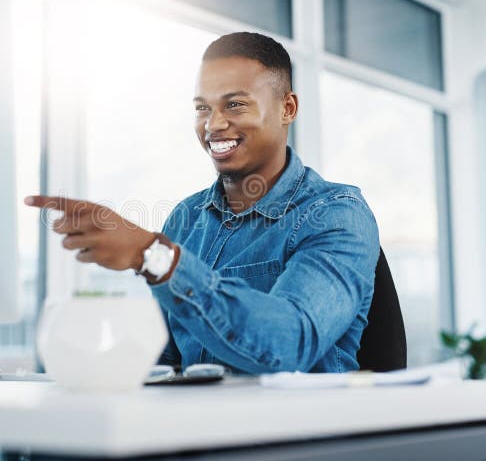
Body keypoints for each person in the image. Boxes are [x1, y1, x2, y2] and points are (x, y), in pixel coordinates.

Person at [25, 32, 379, 374]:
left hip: (297, 431)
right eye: (202, 108)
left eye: (235, 104)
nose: (214, 124)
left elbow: (288, 344)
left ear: (287, 108)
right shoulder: (186, 218)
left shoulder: (336, 212)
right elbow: (167, 362)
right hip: (195, 430)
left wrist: (154, 256)